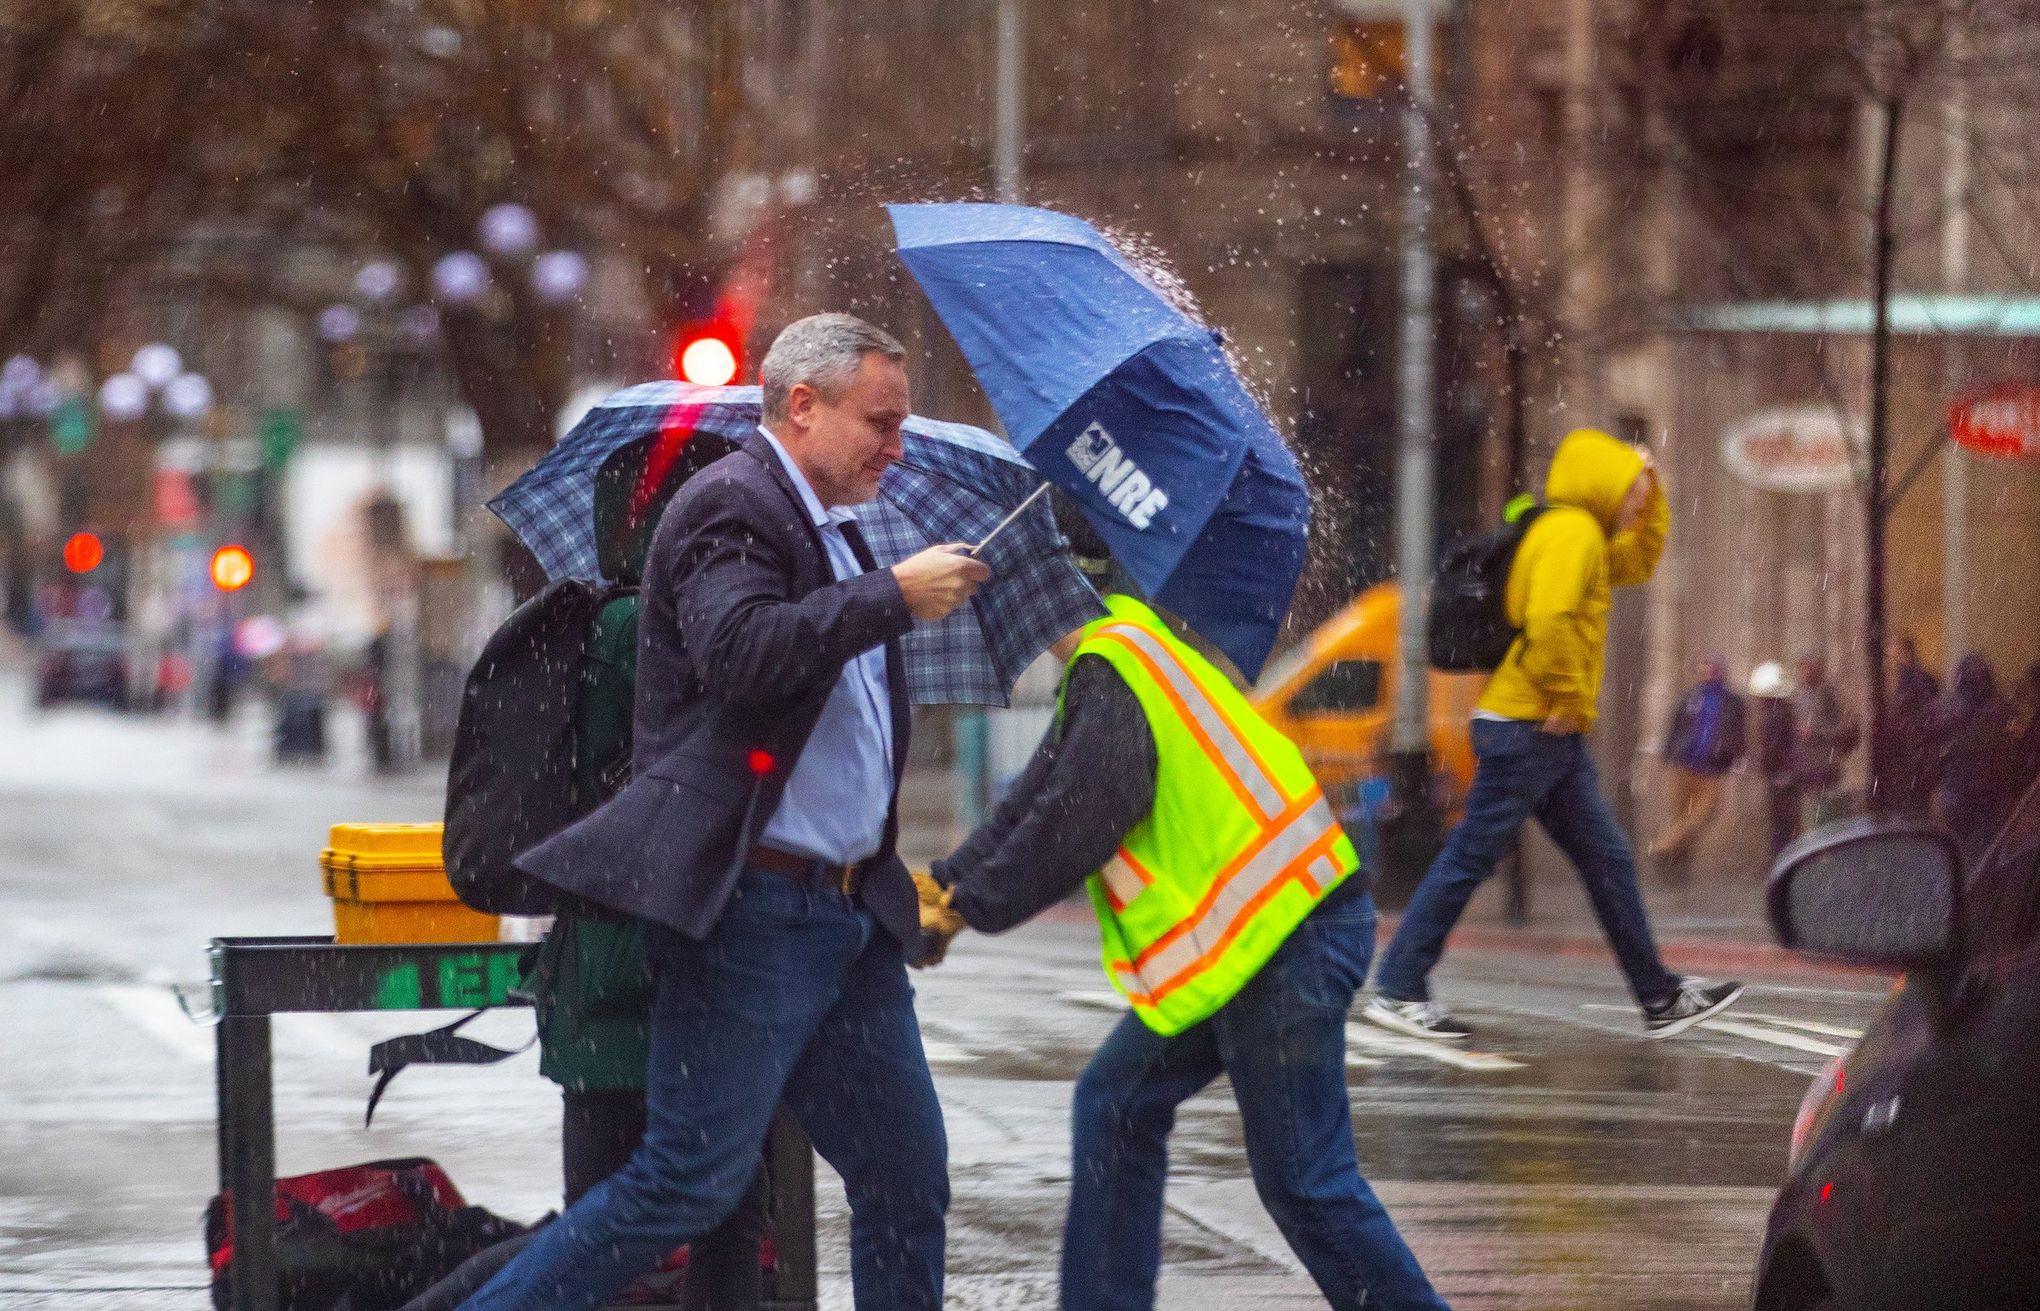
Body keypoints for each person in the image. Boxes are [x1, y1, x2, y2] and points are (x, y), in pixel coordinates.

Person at [457, 313, 989, 1311]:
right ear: (803, 405)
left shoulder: (838, 530)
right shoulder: (731, 505)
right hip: (754, 911)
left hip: (848, 917)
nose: (895, 446)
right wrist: (893, 596)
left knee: (905, 1178)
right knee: (684, 1185)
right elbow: (743, 655)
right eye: (879, 422)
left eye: (901, 423)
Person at [921, 543, 1449, 1311]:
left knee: (1306, 1182)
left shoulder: (1115, 665)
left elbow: (1080, 816)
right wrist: (949, 883)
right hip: (1252, 941)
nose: (990, 616)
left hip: (1285, 937)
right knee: (1115, 1104)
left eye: (996, 596)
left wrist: (970, 904)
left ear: (1038, 595)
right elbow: (1040, 795)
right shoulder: (1121, 651)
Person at [1364, 429, 1742, 1041]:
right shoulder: (1573, 534)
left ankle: (1659, 995)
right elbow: (1550, 619)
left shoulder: (1576, 534)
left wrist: (1656, 487)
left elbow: (1640, 560)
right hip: (1529, 728)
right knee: (1472, 858)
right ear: (1603, 485)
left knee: (1606, 861)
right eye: (1634, 488)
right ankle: (1399, 983)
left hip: (1542, 735)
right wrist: (1567, 698)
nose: (1639, 500)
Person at [1646, 654, 1746, 880]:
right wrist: (1669, 755)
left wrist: (1733, 755)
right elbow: (1675, 728)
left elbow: (1738, 733)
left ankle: (1661, 847)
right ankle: (1676, 869)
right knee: (1680, 817)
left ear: (1720, 671)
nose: (1706, 673)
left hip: (1712, 770)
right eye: (1703, 669)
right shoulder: (1690, 698)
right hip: (1683, 766)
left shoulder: (1732, 702)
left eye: (1710, 669)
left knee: (1701, 817)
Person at [1928, 653, 2019, 865]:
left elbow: (1932, 751)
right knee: (1985, 852)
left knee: (1965, 852)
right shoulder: (2002, 710)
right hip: (1985, 795)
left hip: (1963, 792)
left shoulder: (1946, 709)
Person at [1788, 654, 1858, 829]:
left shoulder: (1829, 695)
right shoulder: (1797, 696)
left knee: (1829, 812)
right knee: (1811, 813)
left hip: (1825, 764)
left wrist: (1815, 732)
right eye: (1802, 668)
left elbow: (1845, 727)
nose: (1805, 673)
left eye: (1808, 668)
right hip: (1805, 766)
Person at [1750, 661, 1800, 861]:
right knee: (1784, 822)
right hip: (1784, 772)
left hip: (1780, 774)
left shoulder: (1773, 714)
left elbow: (1773, 746)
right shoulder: (1783, 710)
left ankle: (1782, 861)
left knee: (1781, 823)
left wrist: (1773, 770)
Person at [1888, 634, 1941, 816]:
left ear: (1905, 652)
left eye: (1893, 649)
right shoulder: (1905, 678)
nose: (1890, 655)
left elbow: (1927, 712)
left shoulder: (1919, 679)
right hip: (1909, 749)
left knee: (1916, 802)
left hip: (1916, 750)